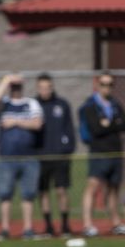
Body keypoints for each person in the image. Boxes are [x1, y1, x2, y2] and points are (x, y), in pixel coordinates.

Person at [0, 74, 43, 240]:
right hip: (7, 157)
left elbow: (37, 123)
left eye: (17, 85)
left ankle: (28, 228)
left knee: (28, 194)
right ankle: (5, 229)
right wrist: (7, 79)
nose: (15, 89)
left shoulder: (31, 103)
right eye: (13, 86)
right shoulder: (5, 104)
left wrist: (15, 122)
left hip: (28, 156)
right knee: (5, 193)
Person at [81, 72, 125, 237]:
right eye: (103, 84)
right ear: (97, 84)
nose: (106, 88)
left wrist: (108, 124)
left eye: (110, 84)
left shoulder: (115, 104)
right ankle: (88, 224)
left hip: (116, 152)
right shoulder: (90, 105)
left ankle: (116, 222)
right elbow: (96, 129)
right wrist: (113, 124)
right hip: (99, 152)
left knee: (114, 188)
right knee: (93, 187)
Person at [35, 73, 76, 237]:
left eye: (48, 87)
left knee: (61, 190)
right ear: (38, 88)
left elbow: (69, 128)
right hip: (41, 156)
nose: (45, 91)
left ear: (52, 87)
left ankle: (65, 225)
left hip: (60, 156)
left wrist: (68, 149)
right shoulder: (34, 105)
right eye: (42, 88)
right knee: (43, 191)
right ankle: (48, 226)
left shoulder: (62, 104)